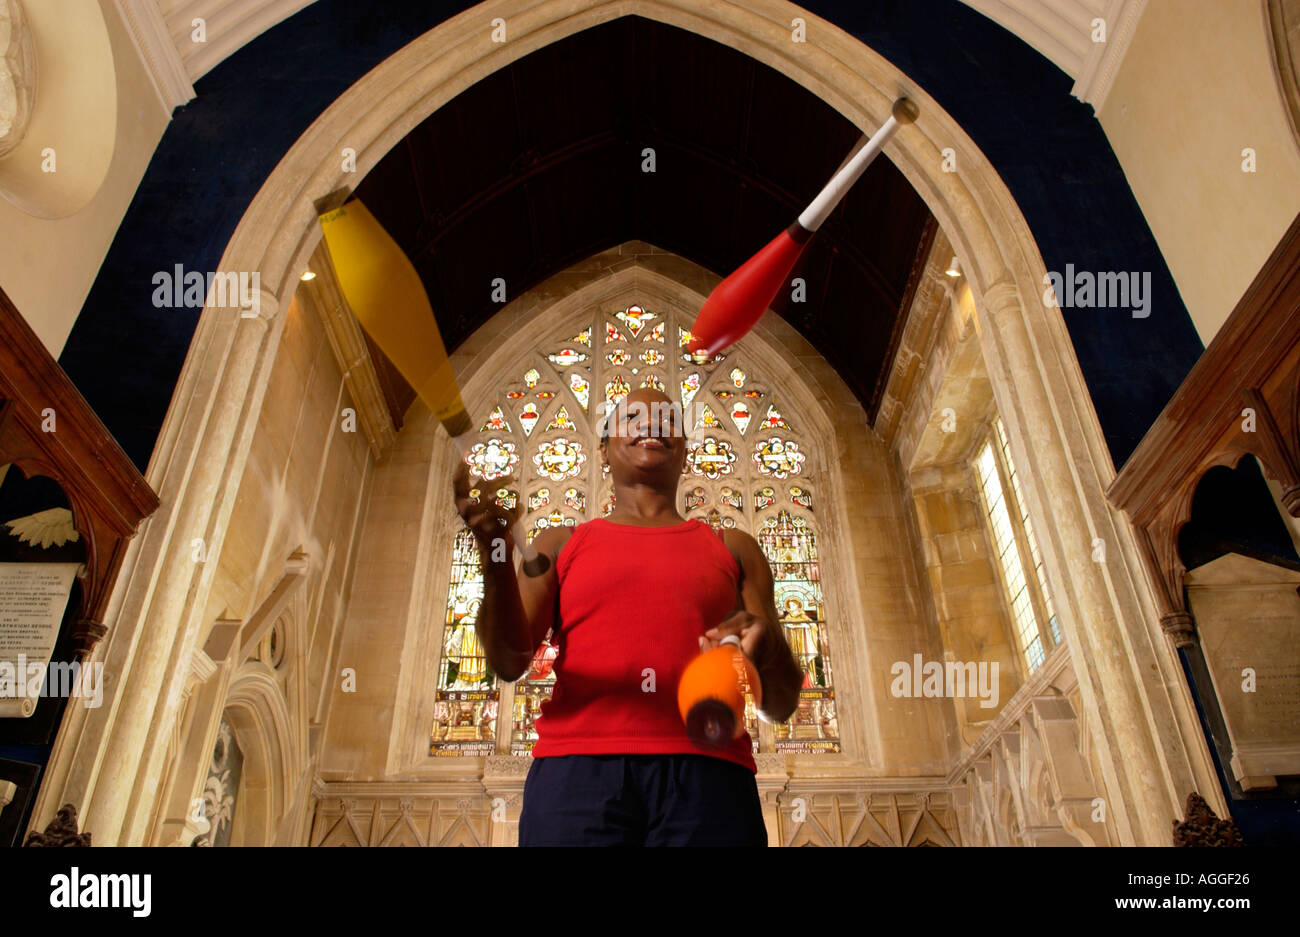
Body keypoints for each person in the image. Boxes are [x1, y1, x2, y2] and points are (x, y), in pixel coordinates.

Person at [452, 386, 803, 846]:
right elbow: (509, 661)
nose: (652, 423)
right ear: (603, 449)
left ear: (686, 450)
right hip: (576, 772)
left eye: (667, 418)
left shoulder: (734, 548)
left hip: (710, 773)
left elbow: (780, 703)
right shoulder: (558, 546)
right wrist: (494, 562)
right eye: (633, 416)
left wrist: (766, 646)